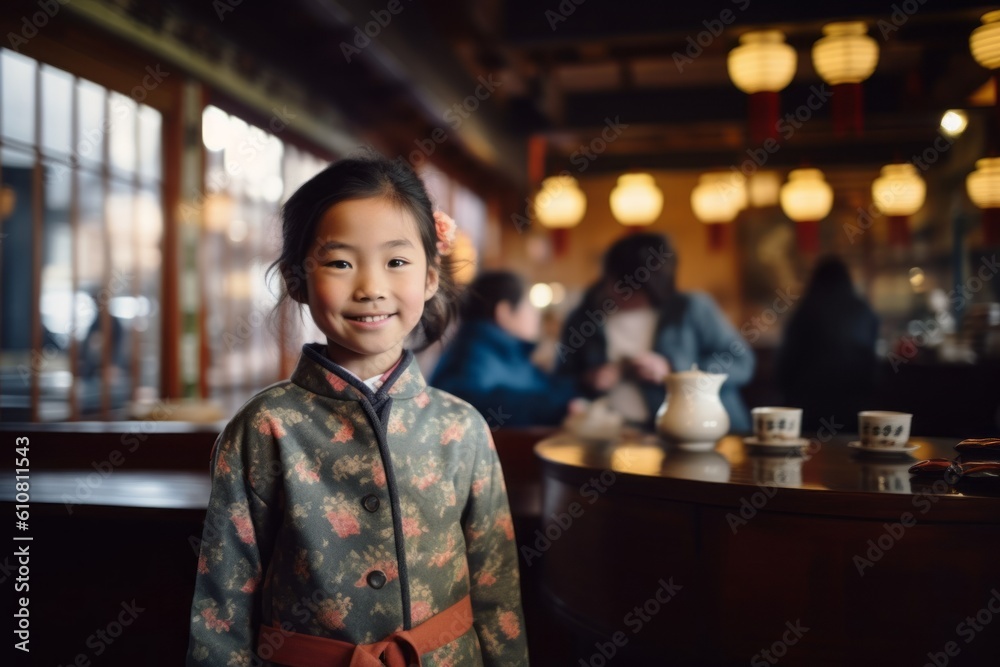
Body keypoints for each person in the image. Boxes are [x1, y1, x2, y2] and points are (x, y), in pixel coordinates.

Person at [186, 152, 528, 666]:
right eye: (341, 262)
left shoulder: (463, 427)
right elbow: (222, 603)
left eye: (396, 261)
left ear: (431, 277)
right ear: (296, 280)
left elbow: (497, 590)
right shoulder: (264, 427)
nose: (371, 288)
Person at [556, 232, 755, 433]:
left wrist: (672, 369)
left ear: (655, 286)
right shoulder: (583, 317)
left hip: (698, 433)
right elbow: (560, 379)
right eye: (617, 284)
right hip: (614, 436)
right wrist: (590, 380)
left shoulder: (691, 308)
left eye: (633, 288)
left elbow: (741, 362)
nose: (622, 294)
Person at [431, 270, 578, 427]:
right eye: (529, 306)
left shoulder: (510, 352)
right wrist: (555, 408)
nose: (536, 315)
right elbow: (462, 406)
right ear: (504, 312)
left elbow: (548, 389)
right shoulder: (471, 353)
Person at [776, 255, 879, 433]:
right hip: (854, 405)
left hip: (808, 404)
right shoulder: (862, 309)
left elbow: (786, 361)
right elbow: (871, 361)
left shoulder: (805, 310)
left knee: (812, 455)